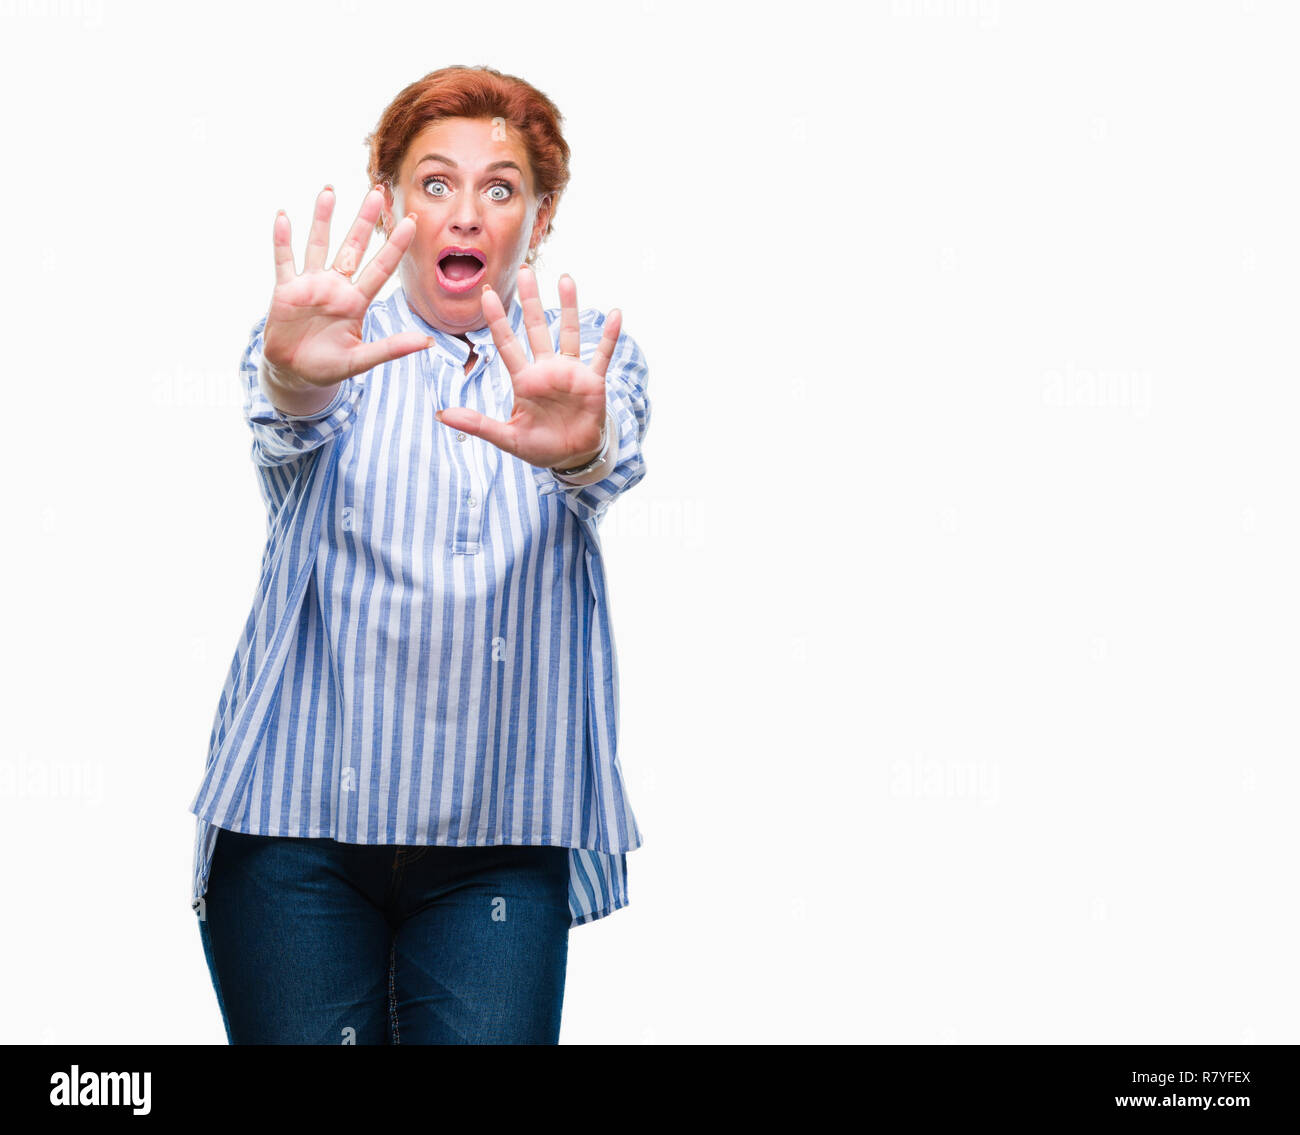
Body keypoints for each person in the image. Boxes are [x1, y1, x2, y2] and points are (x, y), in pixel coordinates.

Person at [188, 65, 651, 1045]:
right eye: (435, 182)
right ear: (391, 198)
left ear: (544, 211)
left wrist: (579, 441)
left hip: (497, 837)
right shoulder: (321, 337)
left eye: (501, 185)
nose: (466, 213)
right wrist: (292, 377)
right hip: (292, 825)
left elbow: (605, 462)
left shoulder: (587, 351)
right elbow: (285, 426)